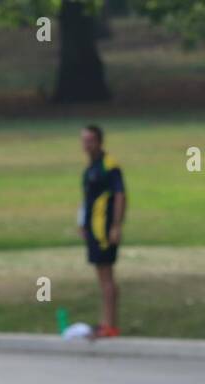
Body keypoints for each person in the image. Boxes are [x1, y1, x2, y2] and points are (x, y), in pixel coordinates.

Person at [78, 124, 125, 338]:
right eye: (83, 140)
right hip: (93, 231)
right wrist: (82, 223)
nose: (86, 145)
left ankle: (110, 324)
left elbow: (120, 196)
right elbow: (87, 200)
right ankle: (105, 322)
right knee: (102, 277)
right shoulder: (90, 169)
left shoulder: (109, 166)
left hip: (104, 230)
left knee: (107, 278)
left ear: (99, 141)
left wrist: (116, 225)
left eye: (90, 140)